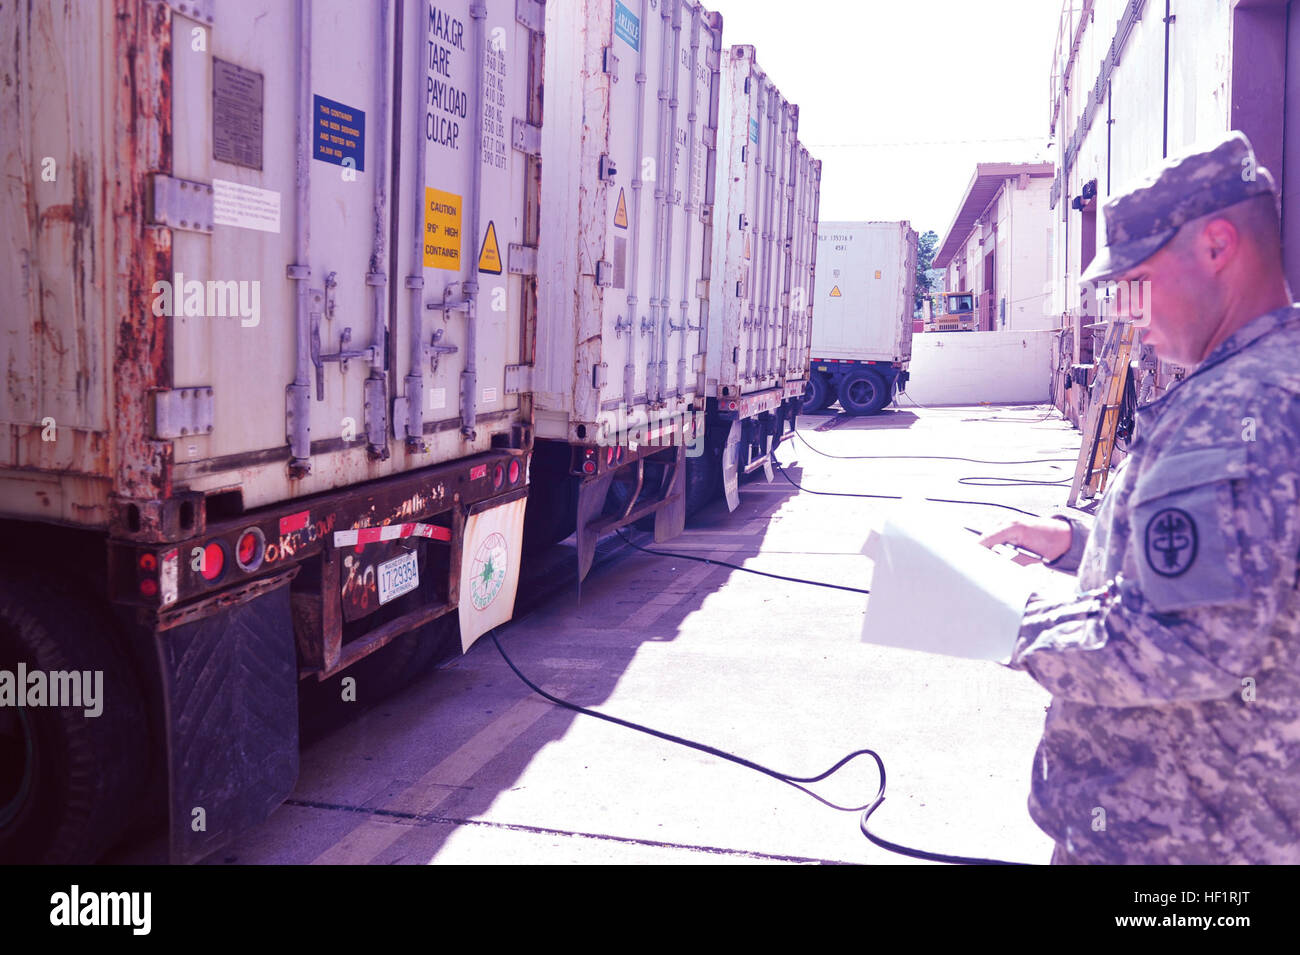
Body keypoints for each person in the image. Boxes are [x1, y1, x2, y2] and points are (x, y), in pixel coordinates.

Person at [980, 130, 1300, 864]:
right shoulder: (1270, 374)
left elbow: (1181, 643)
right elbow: (1239, 565)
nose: (1128, 314)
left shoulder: (1238, 410)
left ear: (1218, 245)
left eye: (1135, 283)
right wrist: (1080, 540)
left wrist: (1007, 620)